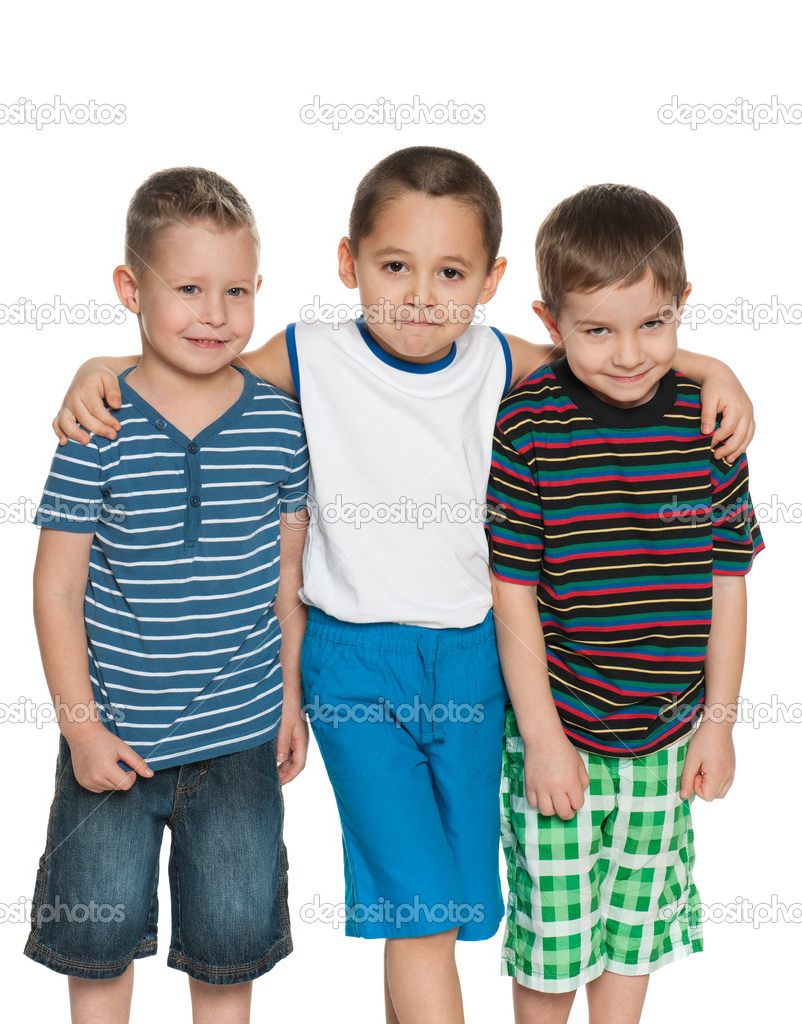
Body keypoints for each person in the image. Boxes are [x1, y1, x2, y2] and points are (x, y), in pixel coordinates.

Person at [48, 149, 756, 1024]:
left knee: (455, 905)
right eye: (393, 267)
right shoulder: (311, 354)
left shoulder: (501, 360)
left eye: (450, 272)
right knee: (416, 907)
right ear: (348, 263)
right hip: (355, 667)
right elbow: (194, 363)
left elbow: (610, 344)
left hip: (474, 665)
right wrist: (99, 370)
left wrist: (711, 370)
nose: (421, 295)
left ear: (490, 280)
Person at [24, 167, 310, 1024]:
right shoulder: (98, 424)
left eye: (234, 291)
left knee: (227, 953)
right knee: (97, 939)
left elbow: (287, 581)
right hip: (113, 745)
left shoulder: (278, 422)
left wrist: (291, 701)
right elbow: (55, 587)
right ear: (131, 289)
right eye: (187, 289)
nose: (213, 313)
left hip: (239, 740)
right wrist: (81, 728)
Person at [487, 183, 764, 1024]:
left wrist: (718, 720)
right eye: (595, 330)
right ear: (549, 320)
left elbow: (727, 585)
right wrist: (540, 739)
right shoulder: (529, 421)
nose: (627, 353)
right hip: (560, 724)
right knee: (552, 936)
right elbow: (513, 594)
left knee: (635, 935)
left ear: (681, 308)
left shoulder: (708, 421)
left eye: (652, 325)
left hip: (667, 735)